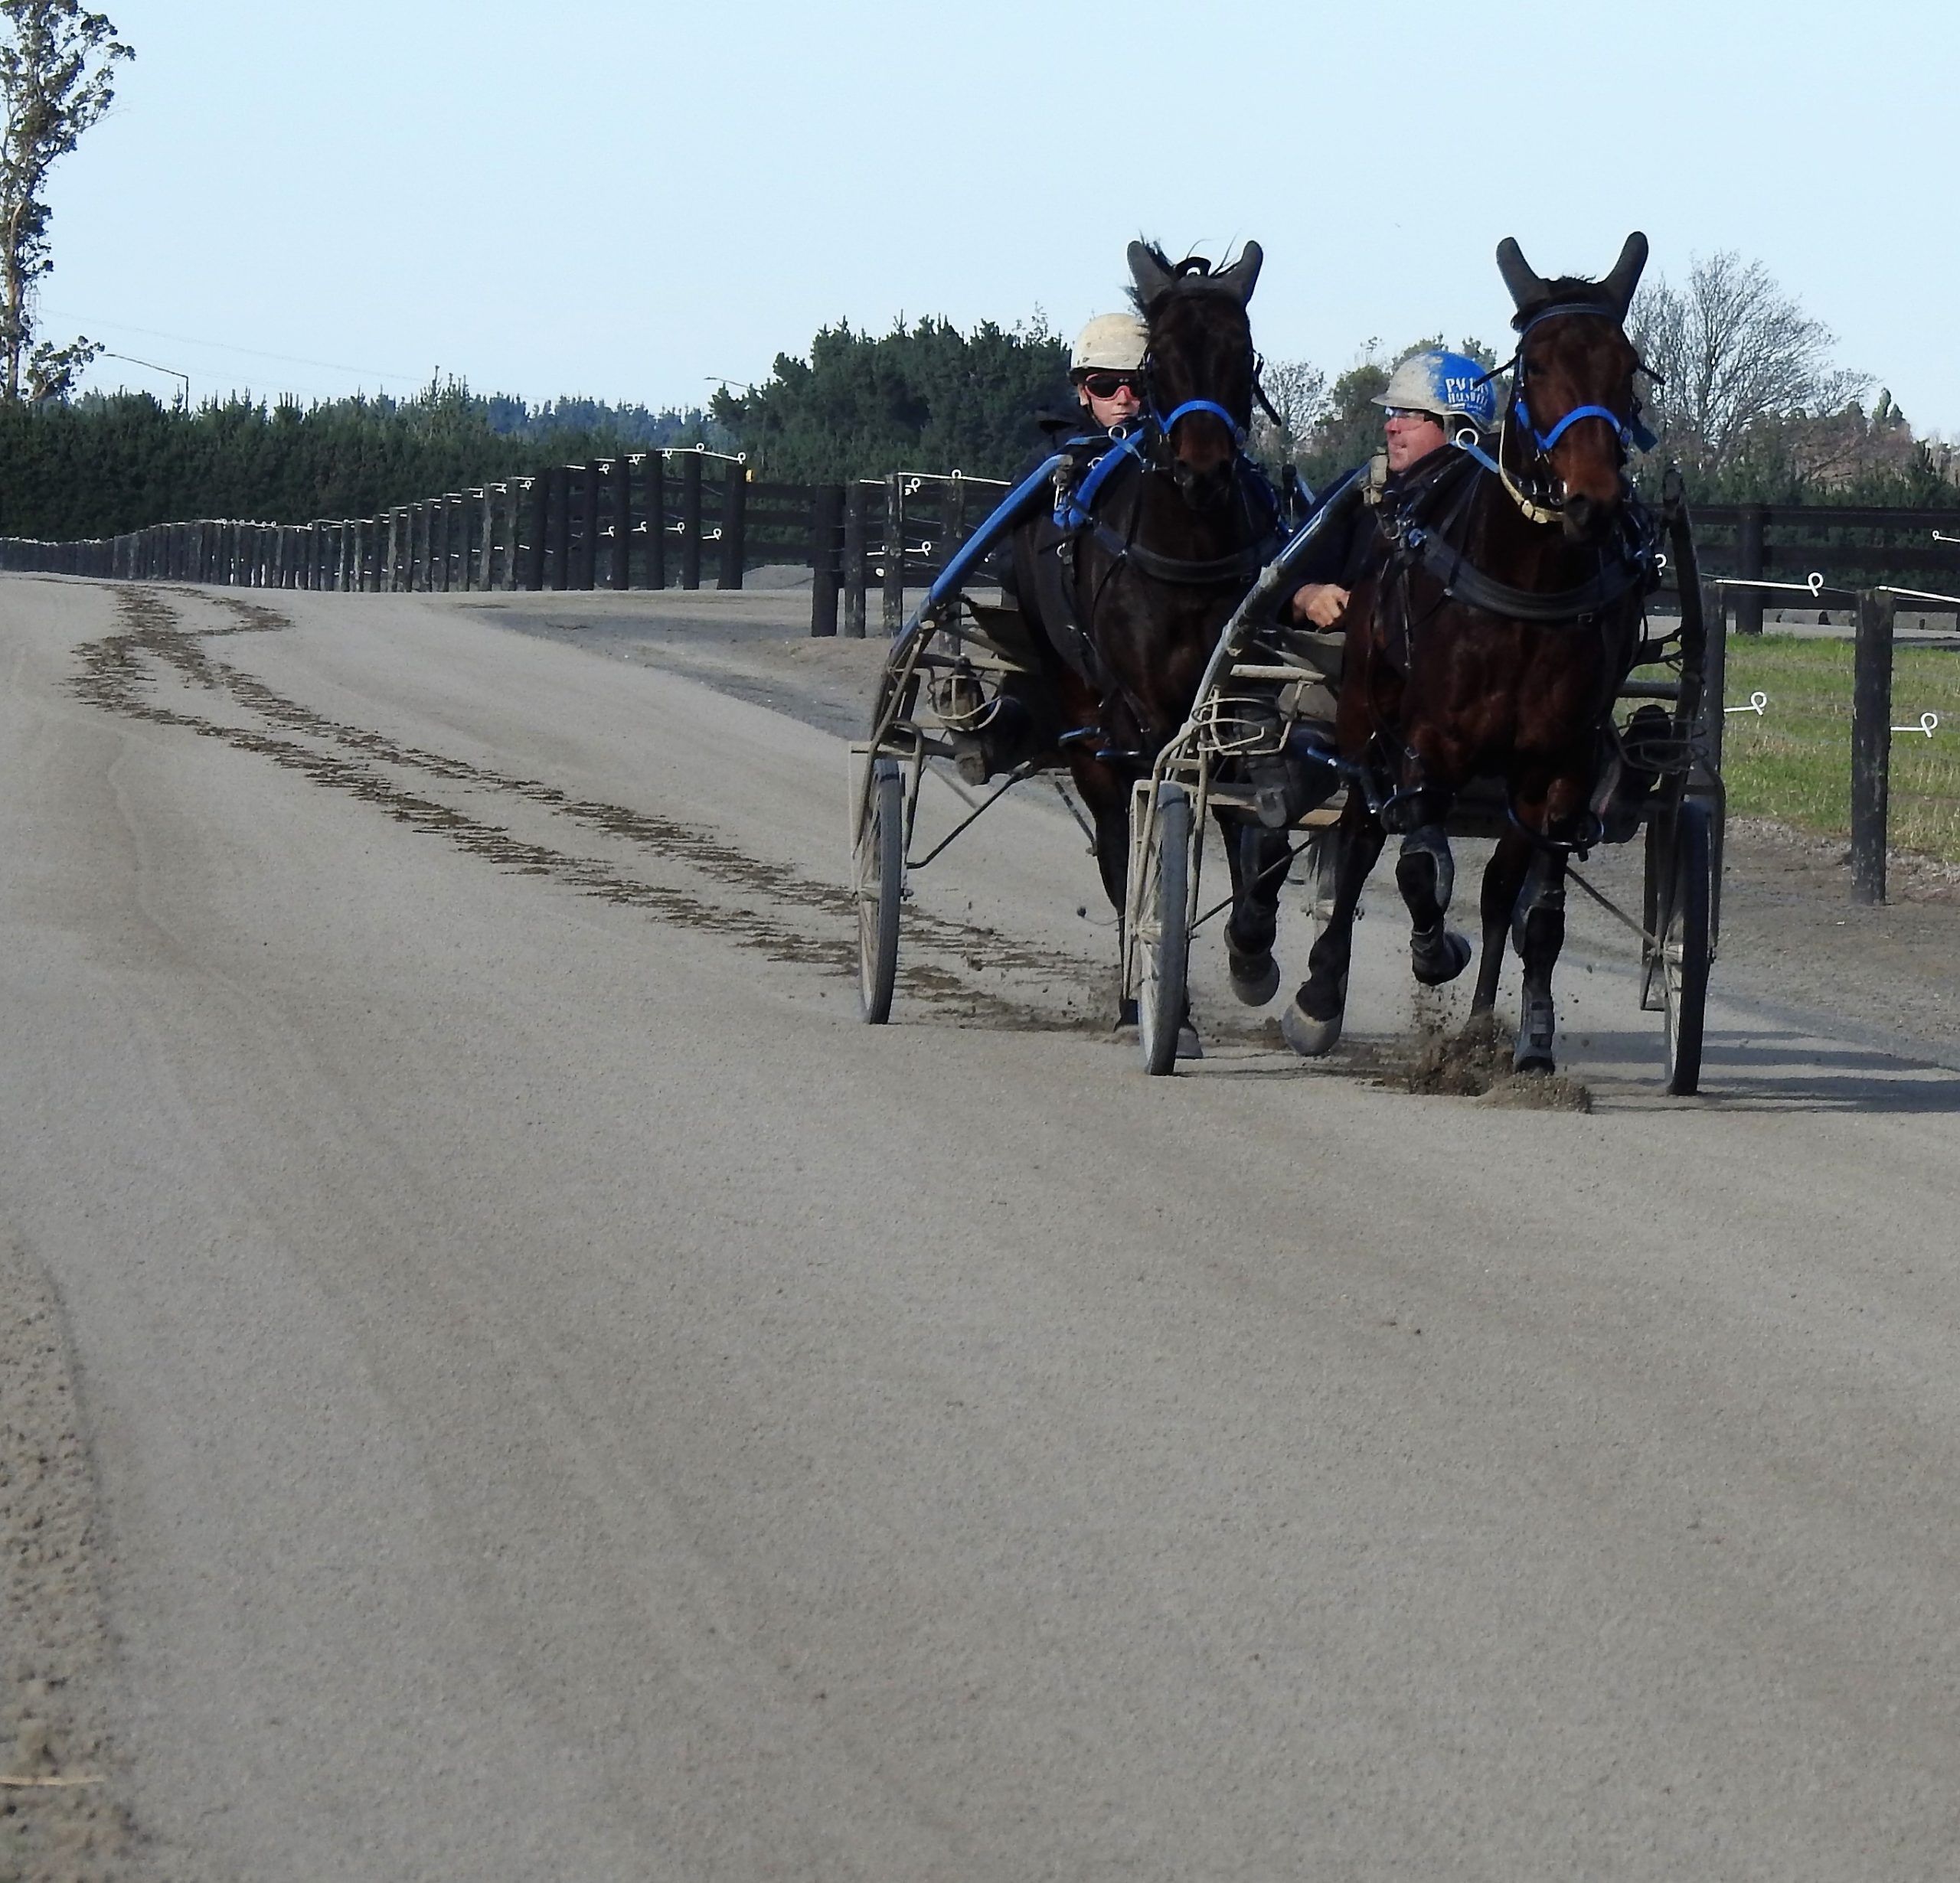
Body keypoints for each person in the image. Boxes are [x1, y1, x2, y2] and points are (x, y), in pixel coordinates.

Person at [1286, 348, 1498, 627]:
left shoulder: (1497, 509)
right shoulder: (1359, 494)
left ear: (1458, 429)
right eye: (1392, 411)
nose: (1390, 426)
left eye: (1408, 413)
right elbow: (1278, 580)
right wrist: (1307, 595)